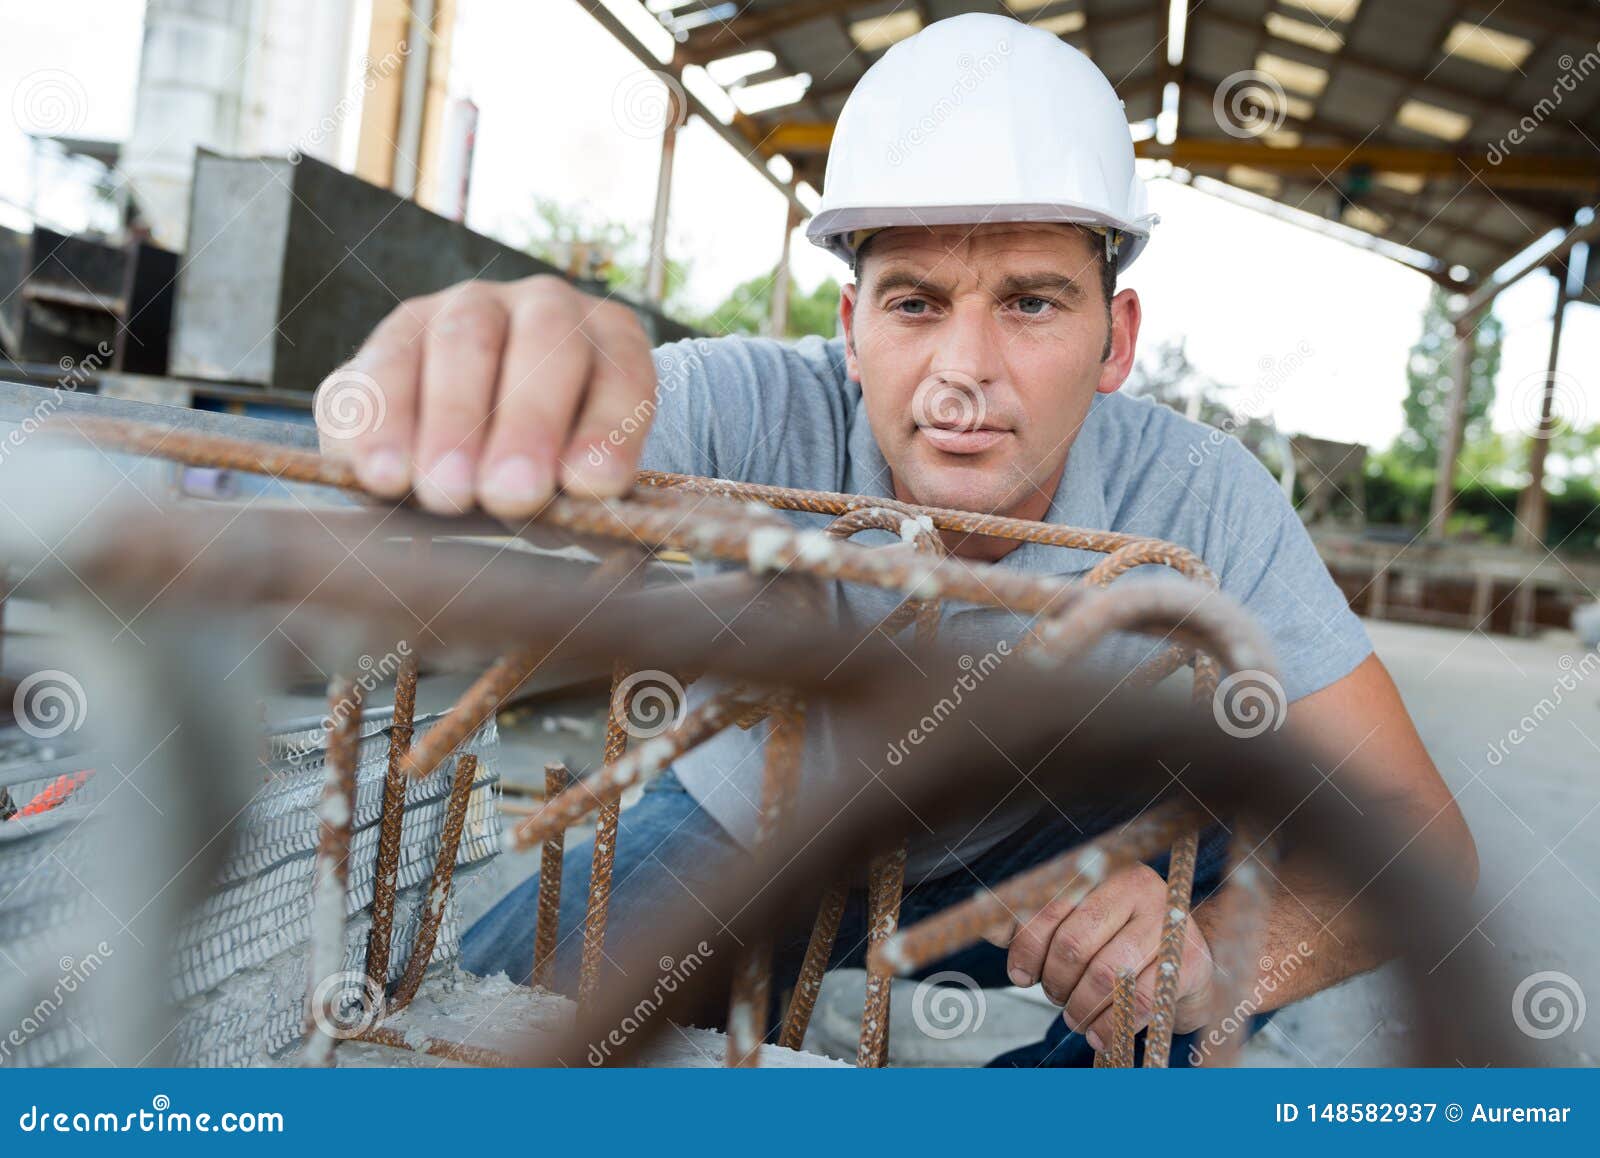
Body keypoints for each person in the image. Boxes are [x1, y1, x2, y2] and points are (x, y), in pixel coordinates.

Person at [318, 13, 1477, 1065]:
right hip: (764, 830)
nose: (962, 373)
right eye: (916, 302)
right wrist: (504, 364)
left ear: (1116, 339)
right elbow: (565, 402)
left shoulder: (1202, 494)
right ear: (852, 327)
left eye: (1029, 302)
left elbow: (1416, 840)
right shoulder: (757, 407)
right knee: (505, 1015)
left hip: (1067, 861)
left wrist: (1219, 952)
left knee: (1215, 906)